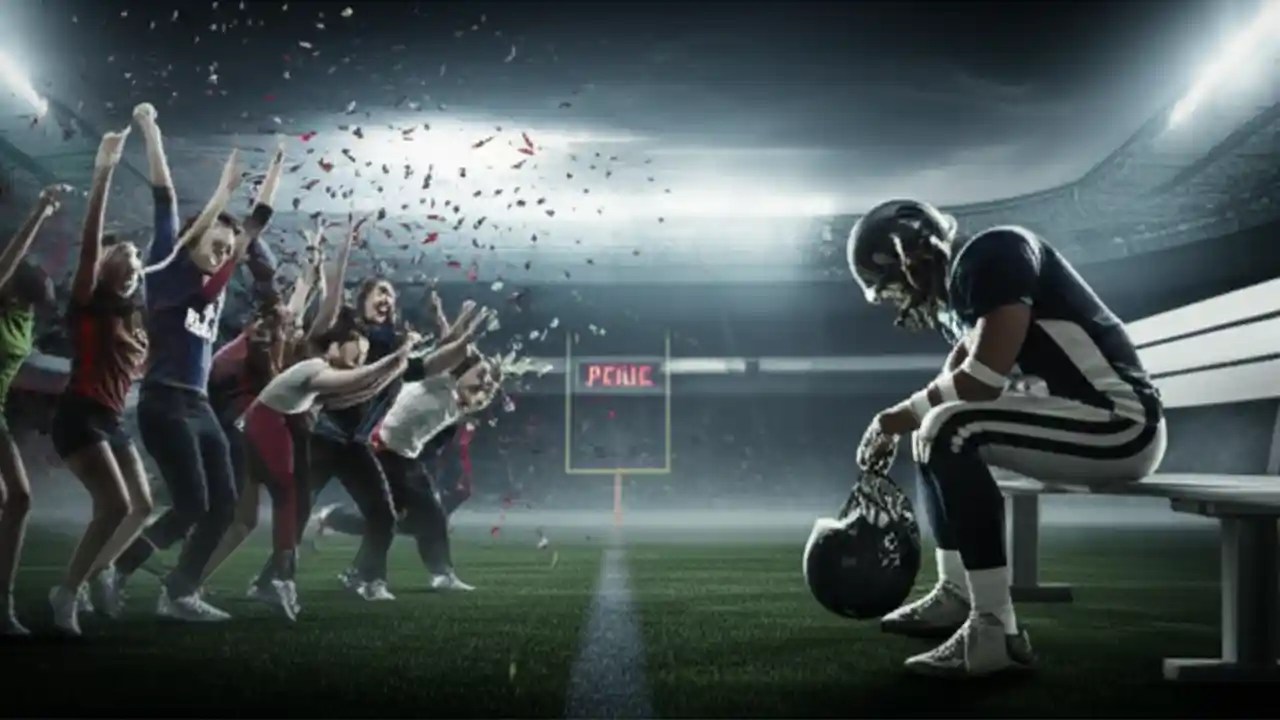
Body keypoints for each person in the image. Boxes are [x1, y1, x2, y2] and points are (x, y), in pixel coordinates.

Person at [847, 198, 1165, 677]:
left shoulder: (993, 253)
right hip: (1084, 419)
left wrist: (894, 418)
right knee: (934, 429)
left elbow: (983, 377)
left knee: (950, 428)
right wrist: (904, 421)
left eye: (891, 285)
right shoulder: (966, 290)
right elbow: (953, 380)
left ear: (909, 253)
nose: (899, 299)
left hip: (1120, 424)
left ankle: (995, 629)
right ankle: (957, 594)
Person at [111, 103, 283, 622]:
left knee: (221, 508)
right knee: (189, 505)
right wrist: (150, 128)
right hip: (162, 402)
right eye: (216, 243)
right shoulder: (166, 266)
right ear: (196, 237)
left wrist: (276, 167)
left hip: (200, 405)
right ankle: (117, 570)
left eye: (228, 249)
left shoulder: (215, 284)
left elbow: (255, 224)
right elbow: (163, 193)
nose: (223, 252)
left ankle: (179, 591)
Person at [47, 129, 152, 635]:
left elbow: (138, 365)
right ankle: (67, 590)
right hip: (79, 414)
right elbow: (91, 239)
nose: (132, 269)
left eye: (137, 266)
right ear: (105, 263)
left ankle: (91, 575)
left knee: (142, 507)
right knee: (114, 505)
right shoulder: (88, 299)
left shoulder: (134, 319)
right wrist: (104, 169)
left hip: (110, 418)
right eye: (125, 259)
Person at [317, 304, 495, 592]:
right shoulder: (441, 382)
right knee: (424, 514)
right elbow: (451, 347)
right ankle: (433, 574)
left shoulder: (461, 403)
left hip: (403, 455)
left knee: (398, 519)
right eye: (481, 374)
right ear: (458, 370)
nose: (485, 382)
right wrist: (464, 324)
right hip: (384, 449)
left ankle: (350, 550)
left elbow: (476, 389)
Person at [0, 185, 65, 636]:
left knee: (18, 499)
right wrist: (40, 210)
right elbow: (10, 256)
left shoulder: (26, 323)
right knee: (13, 498)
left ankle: (1, 604)